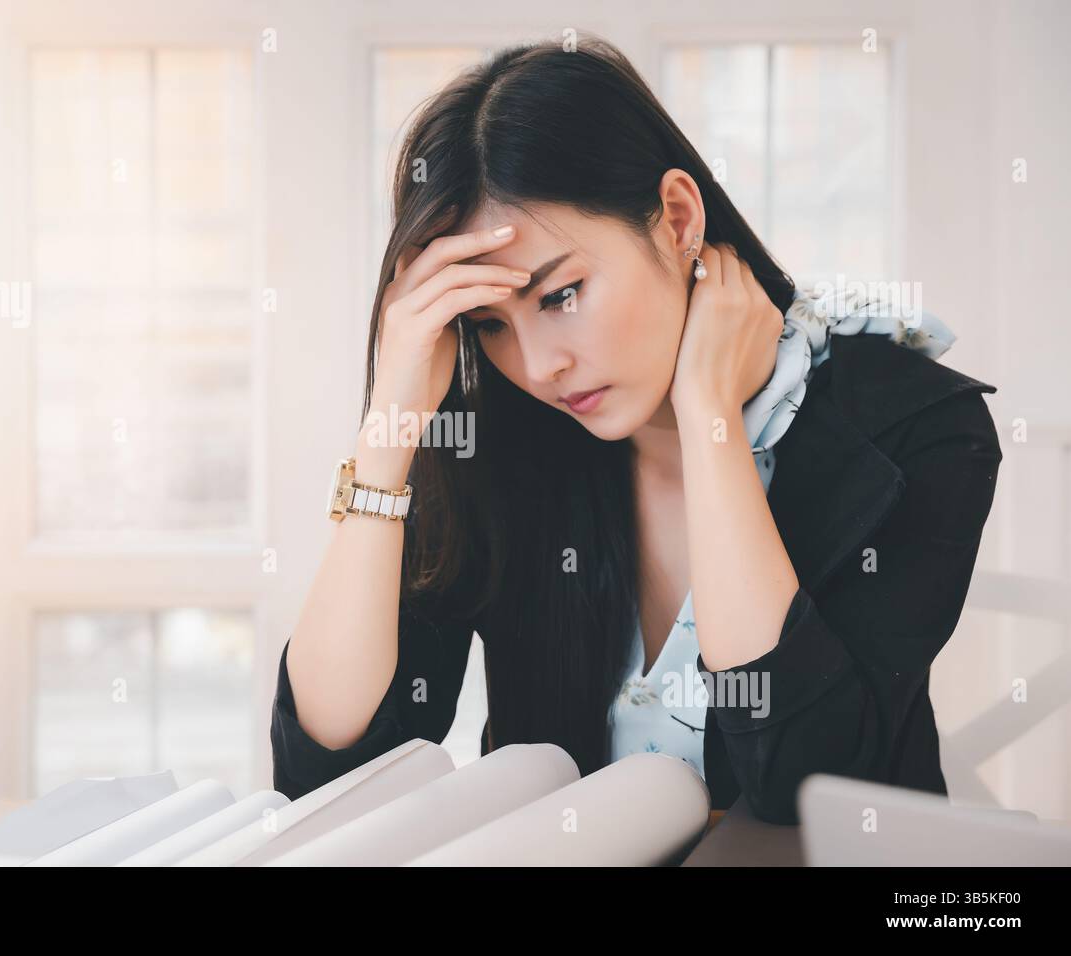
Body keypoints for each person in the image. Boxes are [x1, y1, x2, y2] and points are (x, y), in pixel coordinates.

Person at [269, 34, 1002, 826]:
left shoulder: (913, 427)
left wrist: (711, 421)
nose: (539, 364)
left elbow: (805, 784)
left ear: (678, 217)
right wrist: (391, 418)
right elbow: (330, 775)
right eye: (489, 326)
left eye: (561, 296)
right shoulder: (500, 438)